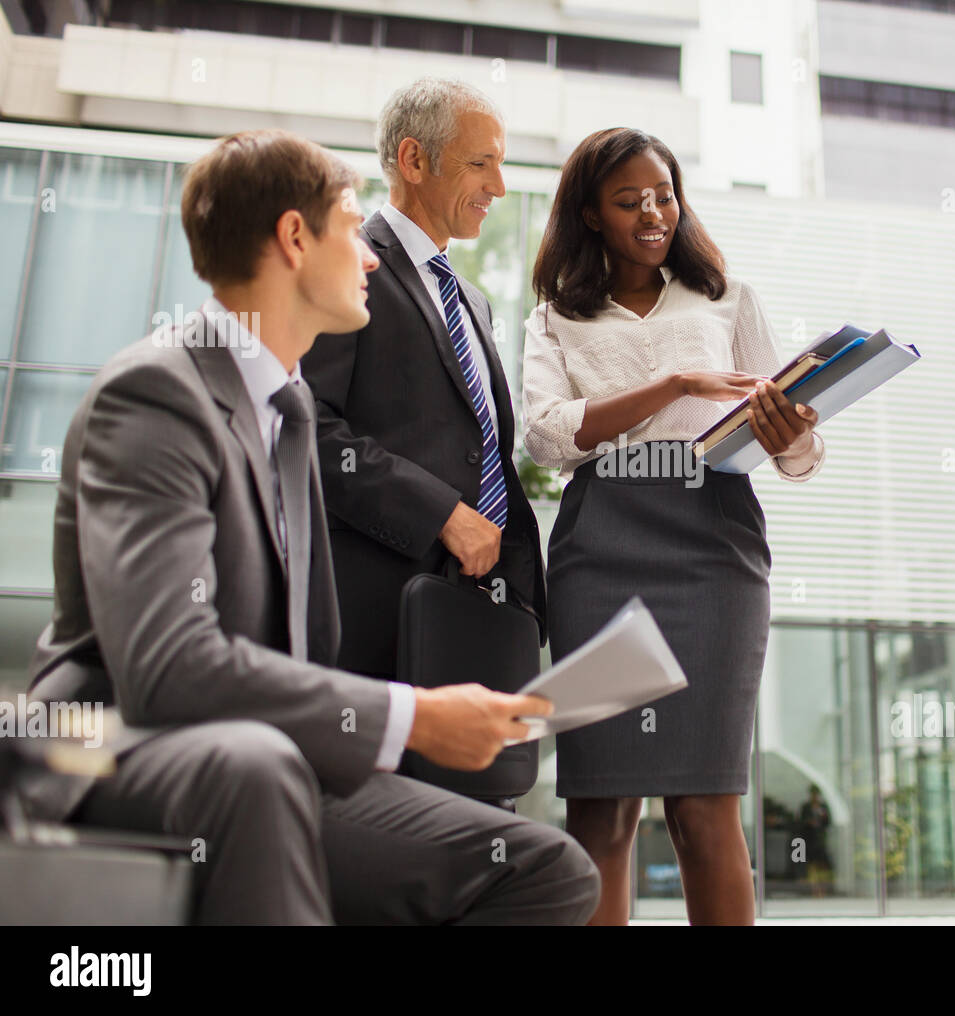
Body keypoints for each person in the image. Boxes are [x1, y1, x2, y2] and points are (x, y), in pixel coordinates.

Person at [19, 128, 599, 925]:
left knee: (547, 870)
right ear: (294, 238)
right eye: (355, 229)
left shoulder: (288, 412)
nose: (370, 258)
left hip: (262, 757)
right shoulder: (156, 397)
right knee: (256, 770)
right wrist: (418, 716)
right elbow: (167, 672)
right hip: (111, 751)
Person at [522, 127, 826, 925]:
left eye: (664, 194)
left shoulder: (728, 297)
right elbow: (548, 436)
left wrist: (789, 432)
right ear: (590, 215)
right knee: (601, 804)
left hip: (715, 543)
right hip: (601, 547)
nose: (653, 212)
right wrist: (670, 386)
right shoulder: (556, 317)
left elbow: (800, 453)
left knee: (705, 801)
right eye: (629, 201)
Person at [301, 78, 547, 708]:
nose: (497, 187)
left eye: (501, 165)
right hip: (381, 616)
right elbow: (307, 426)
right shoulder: (348, 266)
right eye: (479, 164)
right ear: (413, 160)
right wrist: (438, 513)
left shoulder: (472, 301)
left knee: (486, 796)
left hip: (479, 611)